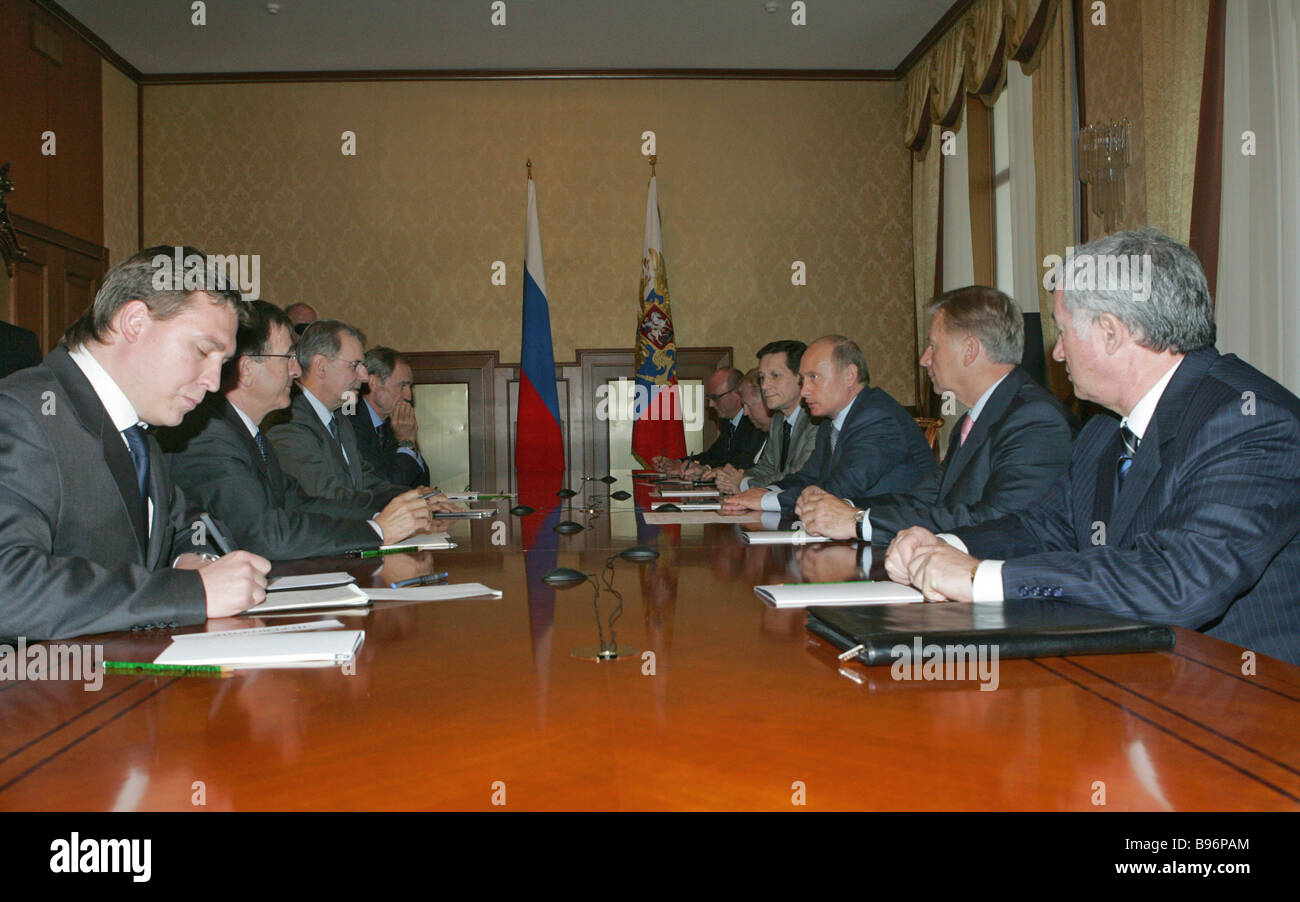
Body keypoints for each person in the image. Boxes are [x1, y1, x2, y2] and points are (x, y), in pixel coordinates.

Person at [889, 228, 1300, 665]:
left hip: (1244, 700)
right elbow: (1045, 528)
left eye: (1063, 331)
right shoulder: (1106, 426)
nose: (1059, 353)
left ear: (1110, 332)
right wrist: (946, 545)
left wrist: (982, 579)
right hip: (1137, 673)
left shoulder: (1252, 423)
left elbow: (1178, 581)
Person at [0, 246, 269, 639]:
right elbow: (9, 587)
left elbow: (184, 526)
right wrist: (189, 591)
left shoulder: (138, 433)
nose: (213, 382)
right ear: (135, 321)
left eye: (222, 363)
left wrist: (195, 559)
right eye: (201, 351)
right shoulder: (22, 413)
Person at [797, 286, 1074, 543]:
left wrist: (859, 522)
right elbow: (923, 501)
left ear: (969, 351)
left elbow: (1000, 522)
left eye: (934, 346)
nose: (924, 359)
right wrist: (846, 507)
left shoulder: (1035, 419)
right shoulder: (974, 419)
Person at [161, 302, 435, 560]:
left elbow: (302, 504)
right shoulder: (211, 438)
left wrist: (385, 517)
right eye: (288, 357)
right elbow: (265, 535)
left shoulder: (251, 435)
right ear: (246, 370)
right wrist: (378, 531)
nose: (295, 369)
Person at [721, 335, 936, 516]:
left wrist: (767, 500)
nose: (804, 391)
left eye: (814, 377)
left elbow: (840, 488)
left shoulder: (877, 417)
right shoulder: (829, 421)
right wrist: (764, 491)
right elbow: (808, 477)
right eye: (803, 380)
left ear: (850, 375)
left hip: (899, 535)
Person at [268, 319, 412, 511]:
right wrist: (405, 506)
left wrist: (416, 498)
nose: (364, 376)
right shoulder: (288, 422)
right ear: (321, 366)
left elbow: (365, 480)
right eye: (355, 365)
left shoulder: (339, 419)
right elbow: (327, 497)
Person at [714, 340, 815, 495]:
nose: (765, 385)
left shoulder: (817, 420)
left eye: (775, 375)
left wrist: (743, 482)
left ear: (800, 377)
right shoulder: (778, 420)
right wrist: (733, 478)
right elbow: (766, 468)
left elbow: (797, 476)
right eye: (762, 377)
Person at [651, 367, 765, 477]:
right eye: (709, 398)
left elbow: (744, 464)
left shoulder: (756, 422)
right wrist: (678, 462)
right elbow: (713, 455)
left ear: (737, 394)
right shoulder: (729, 422)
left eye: (716, 397)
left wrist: (706, 470)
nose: (710, 404)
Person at [346, 346, 431, 487]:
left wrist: (410, 443)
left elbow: (422, 481)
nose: (408, 396)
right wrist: (407, 442)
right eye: (402, 386)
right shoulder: (350, 421)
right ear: (373, 382)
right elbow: (385, 487)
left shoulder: (392, 425)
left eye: (410, 387)